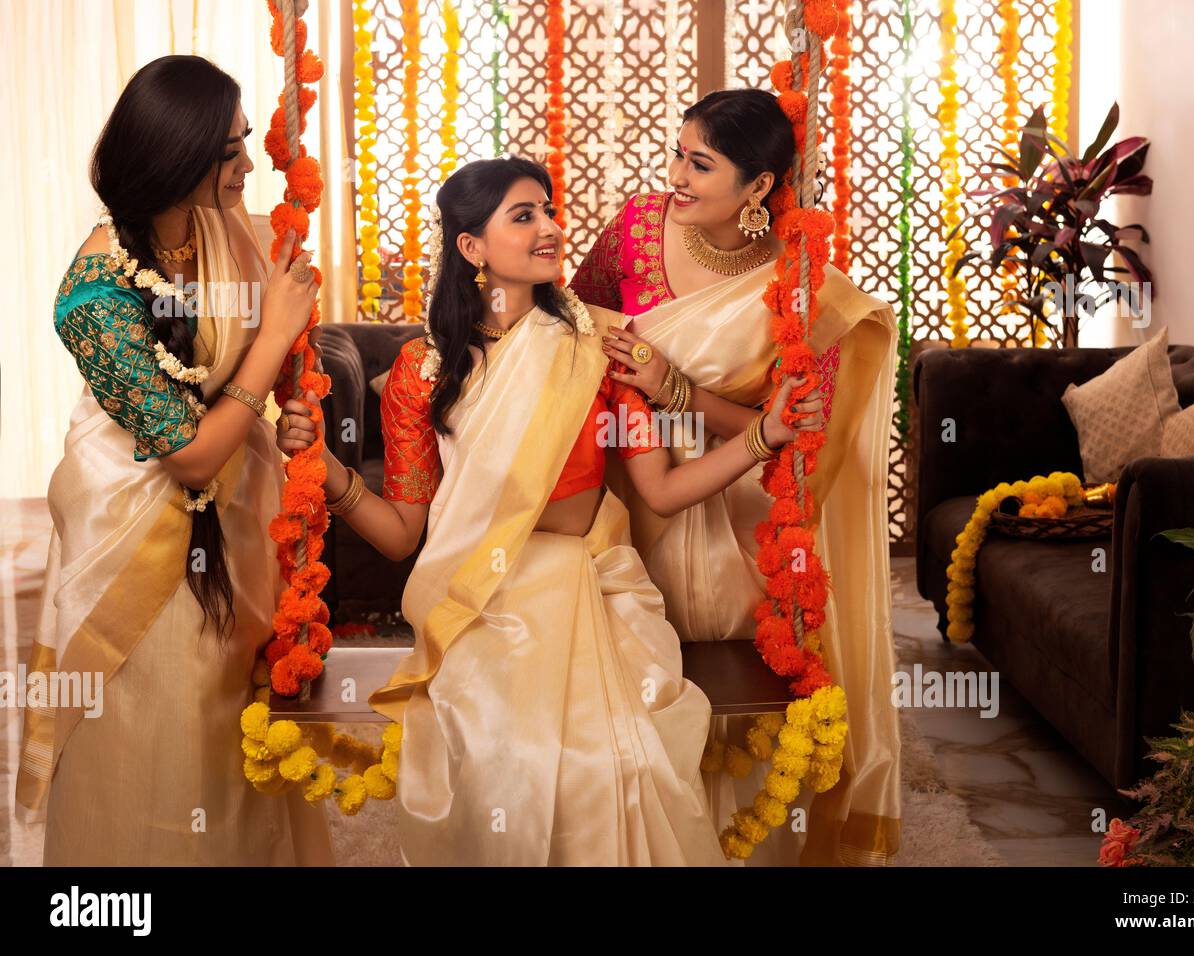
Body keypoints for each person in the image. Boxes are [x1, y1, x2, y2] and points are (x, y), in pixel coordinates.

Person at [276, 156, 819, 865]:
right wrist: (330, 471)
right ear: (472, 247)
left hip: (585, 585)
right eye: (525, 216)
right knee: (502, 759)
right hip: (475, 598)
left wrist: (764, 435)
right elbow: (403, 533)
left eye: (549, 211)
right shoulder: (424, 371)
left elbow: (661, 489)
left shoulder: (601, 346)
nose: (552, 228)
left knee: (618, 769)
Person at [570, 88, 902, 866]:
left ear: (758, 187)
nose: (676, 176)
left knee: (736, 693)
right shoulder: (636, 227)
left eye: (701, 164)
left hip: (741, 499)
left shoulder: (798, 285)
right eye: (678, 153)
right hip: (630, 485)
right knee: (639, 680)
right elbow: (574, 333)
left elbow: (795, 433)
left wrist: (677, 389)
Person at [17, 55, 332, 865]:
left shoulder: (219, 231)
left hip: (238, 517)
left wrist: (282, 416)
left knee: (234, 730)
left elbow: (231, 394)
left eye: (247, 144)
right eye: (231, 153)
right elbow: (188, 455)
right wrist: (270, 346)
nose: (251, 166)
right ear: (177, 155)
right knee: (162, 724)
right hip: (136, 534)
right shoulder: (94, 295)